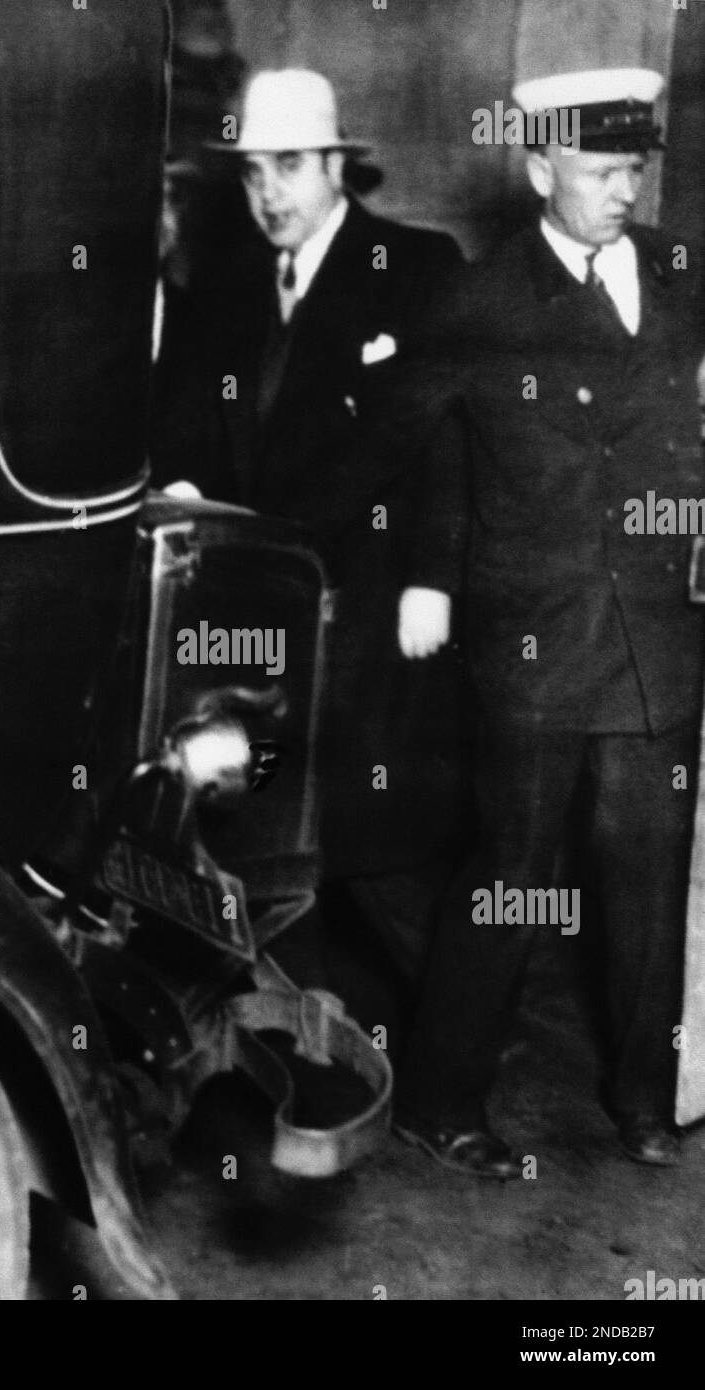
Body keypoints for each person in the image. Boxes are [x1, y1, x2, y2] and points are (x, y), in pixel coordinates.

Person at [392, 67, 705, 1176]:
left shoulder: (678, 274)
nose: (624, 190)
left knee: (649, 874)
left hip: (658, 633)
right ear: (539, 169)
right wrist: (430, 576)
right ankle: (442, 1096)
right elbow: (438, 453)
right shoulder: (479, 299)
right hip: (534, 633)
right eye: (600, 170)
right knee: (515, 869)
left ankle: (643, 1100)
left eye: (635, 169)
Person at [151, 68, 468, 1047]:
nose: (269, 194)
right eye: (252, 175)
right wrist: (191, 489)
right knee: (265, 811)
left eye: (289, 167)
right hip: (263, 608)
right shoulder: (234, 280)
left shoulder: (415, 267)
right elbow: (193, 421)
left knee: (382, 844)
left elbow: (448, 437)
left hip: (375, 606)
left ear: (337, 165)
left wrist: (433, 578)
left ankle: (464, 1046)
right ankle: (299, 1038)